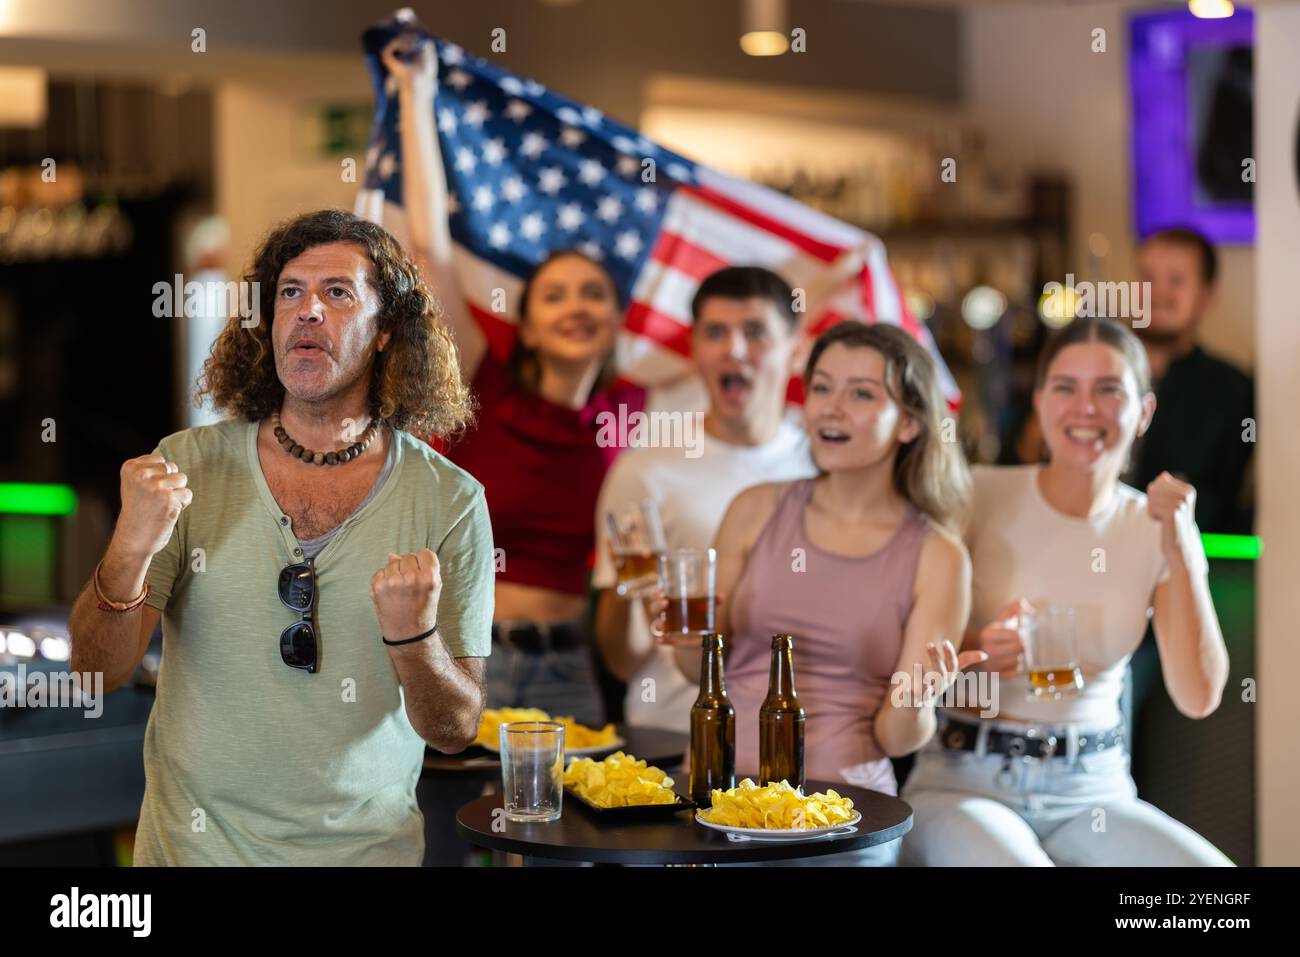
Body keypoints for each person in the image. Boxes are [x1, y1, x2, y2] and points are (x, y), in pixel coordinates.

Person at [67, 209, 494, 866]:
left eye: (338, 293)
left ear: (385, 332)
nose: (308, 311)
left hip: (365, 854)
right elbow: (95, 673)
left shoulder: (451, 499)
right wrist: (129, 548)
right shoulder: (188, 465)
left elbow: (454, 730)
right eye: (290, 292)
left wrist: (414, 639)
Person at [900, 317, 1233, 867]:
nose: (1086, 408)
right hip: (965, 783)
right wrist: (982, 642)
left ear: (1143, 411)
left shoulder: (1158, 526)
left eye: (1109, 390)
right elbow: (903, 640)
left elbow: (1198, 696)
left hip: (1092, 792)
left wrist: (1183, 553)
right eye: (1065, 387)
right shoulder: (975, 495)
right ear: (1039, 401)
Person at [382, 36, 643, 727]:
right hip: (469, 653)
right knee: (457, 830)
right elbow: (428, 252)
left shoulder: (637, 412)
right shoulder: (483, 384)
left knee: (566, 830)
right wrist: (417, 95)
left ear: (617, 321)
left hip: (571, 662)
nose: (577, 307)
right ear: (525, 325)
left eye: (593, 294)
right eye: (555, 296)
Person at [668, 321, 984, 866]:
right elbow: (693, 666)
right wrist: (681, 631)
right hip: (714, 804)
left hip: (842, 820)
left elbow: (898, 735)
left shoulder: (939, 555)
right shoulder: (756, 508)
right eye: (821, 387)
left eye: (861, 393)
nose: (831, 408)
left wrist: (917, 697)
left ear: (909, 422)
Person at [592, 266, 818, 733]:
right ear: (695, 349)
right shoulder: (645, 469)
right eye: (716, 332)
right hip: (671, 734)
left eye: (755, 332)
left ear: (796, 350)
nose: (734, 349)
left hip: (800, 737)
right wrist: (626, 586)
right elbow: (622, 660)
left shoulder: (824, 465)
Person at [1131, 227, 1254, 533]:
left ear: (1206, 295)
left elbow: (1225, 497)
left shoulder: (1232, 390)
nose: (1158, 292)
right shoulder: (1094, 373)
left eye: (1176, 280)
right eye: (1148, 278)